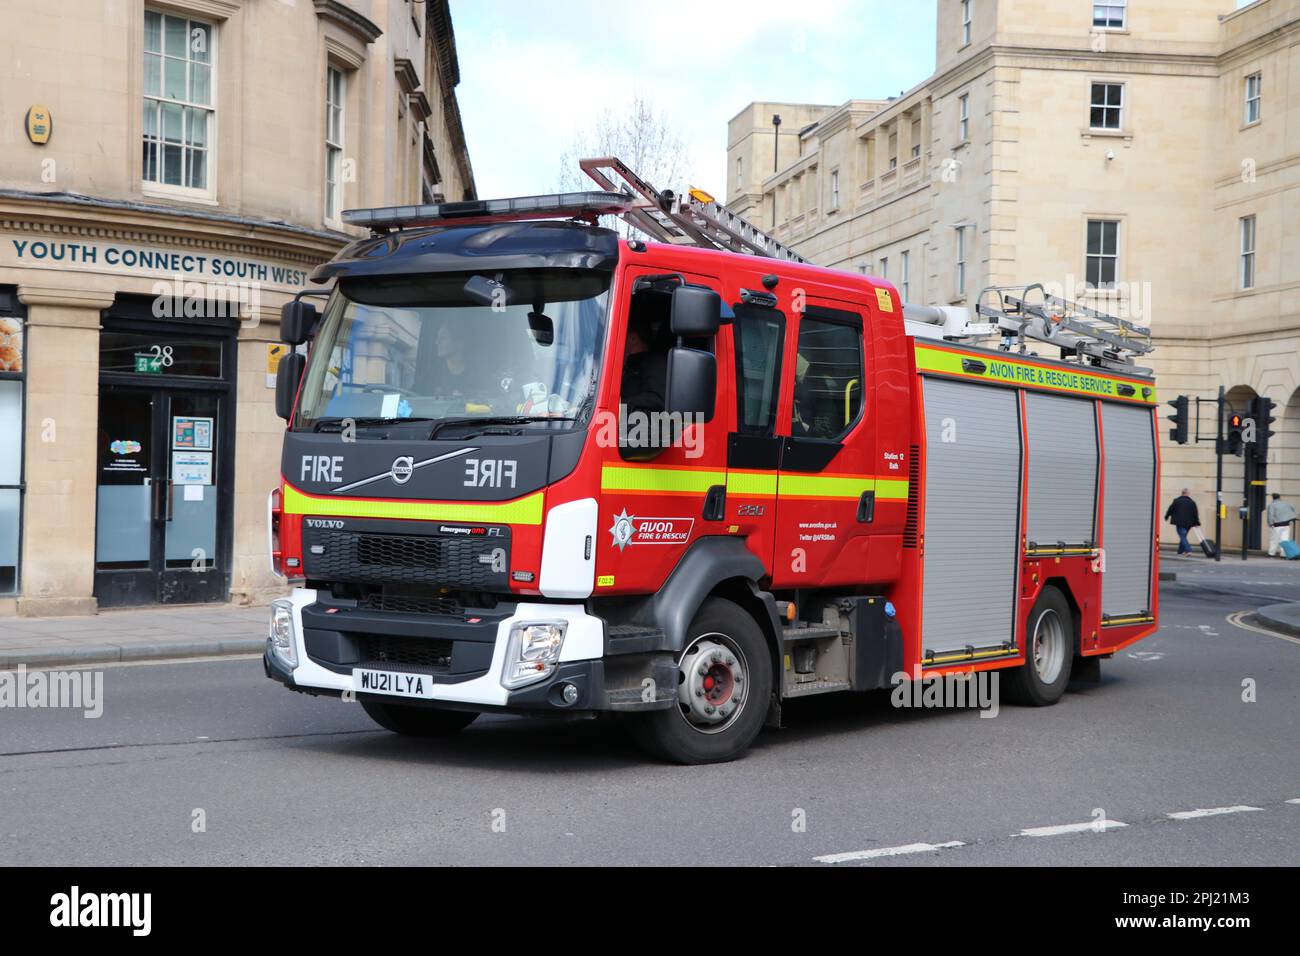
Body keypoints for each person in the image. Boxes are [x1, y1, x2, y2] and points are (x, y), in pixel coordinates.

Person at [1164, 488, 1200, 555]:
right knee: (1183, 536)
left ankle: (1188, 550)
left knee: (1182, 536)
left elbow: (1170, 509)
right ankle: (1180, 551)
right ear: (1187, 494)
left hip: (1179, 522)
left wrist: (1166, 516)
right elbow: (1195, 513)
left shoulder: (1177, 501)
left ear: (1182, 493)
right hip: (1189, 523)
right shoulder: (1192, 502)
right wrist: (1197, 523)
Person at [1266, 492, 1297, 557]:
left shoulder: (1272, 505)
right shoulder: (1286, 503)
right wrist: (1292, 515)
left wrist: (1270, 524)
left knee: (1274, 539)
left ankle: (1271, 553)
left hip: (1277, 525)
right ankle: (1283, 554)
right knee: (1284, 540)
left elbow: (1270, 515)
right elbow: (1293, 508)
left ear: (1272, 498)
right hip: (1286, 524)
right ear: (1279, 497)